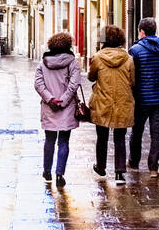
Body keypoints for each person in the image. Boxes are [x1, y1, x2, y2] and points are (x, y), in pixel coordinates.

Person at [88, 24, 136, 184]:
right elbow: (133, 81)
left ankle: (101, 167)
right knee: (120, 137)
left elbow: (91, 77)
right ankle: (120, 172)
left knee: (102, 136)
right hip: (123, 101)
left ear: (104, 40)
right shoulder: (128, 59)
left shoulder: (97, 57)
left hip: (102, 101)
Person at [128, 17, 159, 176]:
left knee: (137, 131)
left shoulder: (135, 50)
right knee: (156, 132)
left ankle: (134, 163)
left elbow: (132, 76)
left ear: (141, 32)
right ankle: (153, 167)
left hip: (141, 97)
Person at [34, 31, 81, 188]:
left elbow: (38, 84)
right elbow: (74, 85)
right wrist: (64, 100)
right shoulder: (73, 63)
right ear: (68, 45)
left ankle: (47, 171)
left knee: (49, 139)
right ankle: (60, 174)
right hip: (66, 108)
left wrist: (50, 99)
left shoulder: (43, 63)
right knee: (63, 141)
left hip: (49, 107)